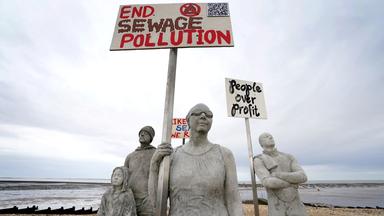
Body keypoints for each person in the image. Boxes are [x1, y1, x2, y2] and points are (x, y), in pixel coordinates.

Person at [149, 103, 243, 216]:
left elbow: (233, 200)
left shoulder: (224, 154)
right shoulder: (172, 156)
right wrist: (154, 164)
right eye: (197, 113)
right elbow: (156, 202)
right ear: (188, 121)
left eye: (208, 114)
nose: (203, 116)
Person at [253, 132, 308, 216]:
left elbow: (303, 177)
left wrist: (277, 175)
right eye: (266, 137)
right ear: (261, 143)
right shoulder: (259, 160)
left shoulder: (288, 157)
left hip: (298, 208)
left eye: (271, 136)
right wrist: (293, 183)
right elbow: (268, 182)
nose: (270, 137)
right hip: (277, 209)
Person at [124, 126, 156, 216]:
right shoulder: (130, 156)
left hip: (147, 199)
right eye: (141, 133)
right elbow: (124, 176)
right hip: (130, 198)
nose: (142, 134)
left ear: (151, 138)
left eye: (145, 133)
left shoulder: (156, 153)